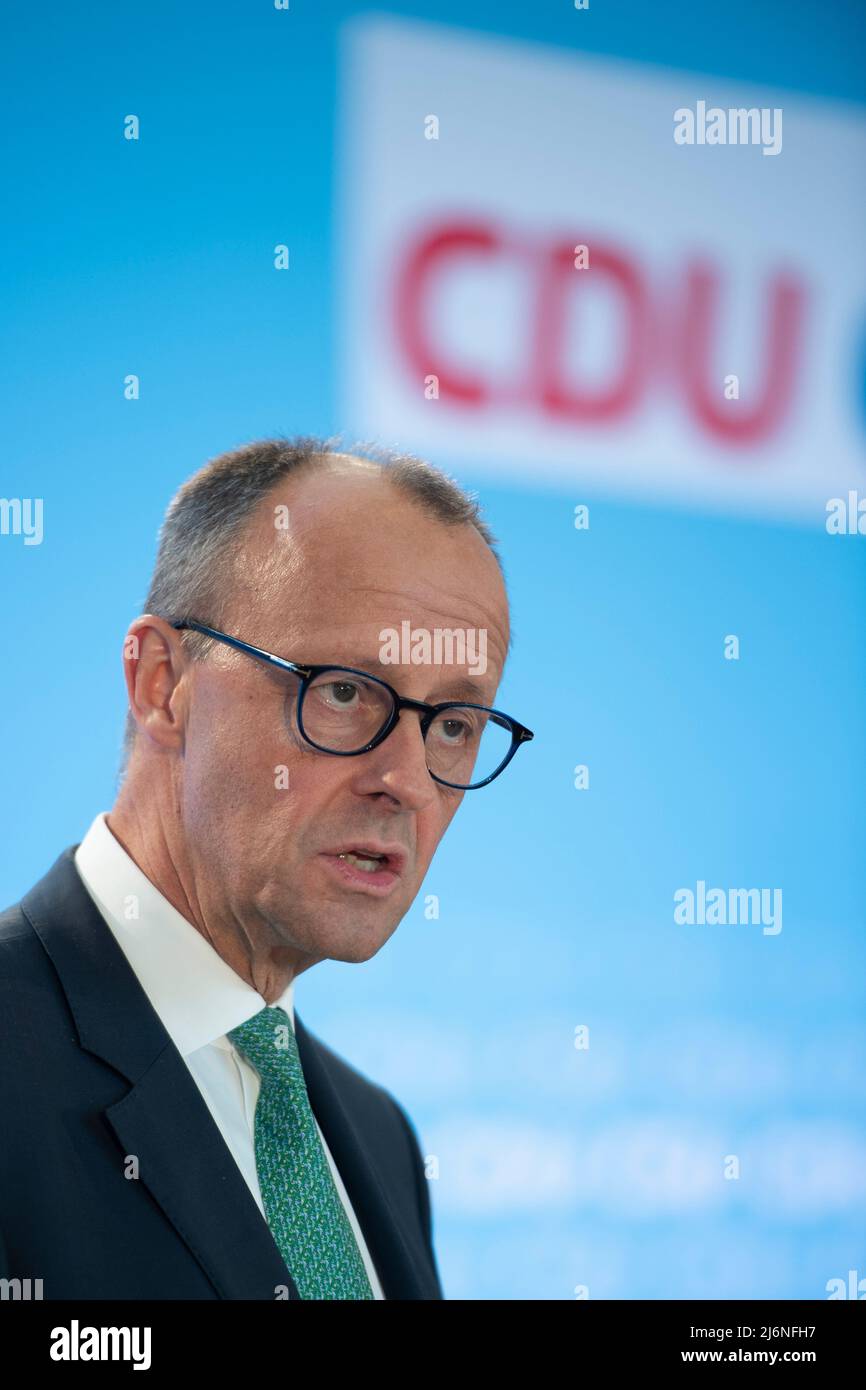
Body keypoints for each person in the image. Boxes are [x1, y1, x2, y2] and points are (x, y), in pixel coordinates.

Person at [0, 436, 533, 1300]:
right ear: (162, 684)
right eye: (345, 691)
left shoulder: (377, 1136)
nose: (404, 782)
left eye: (453, 724)